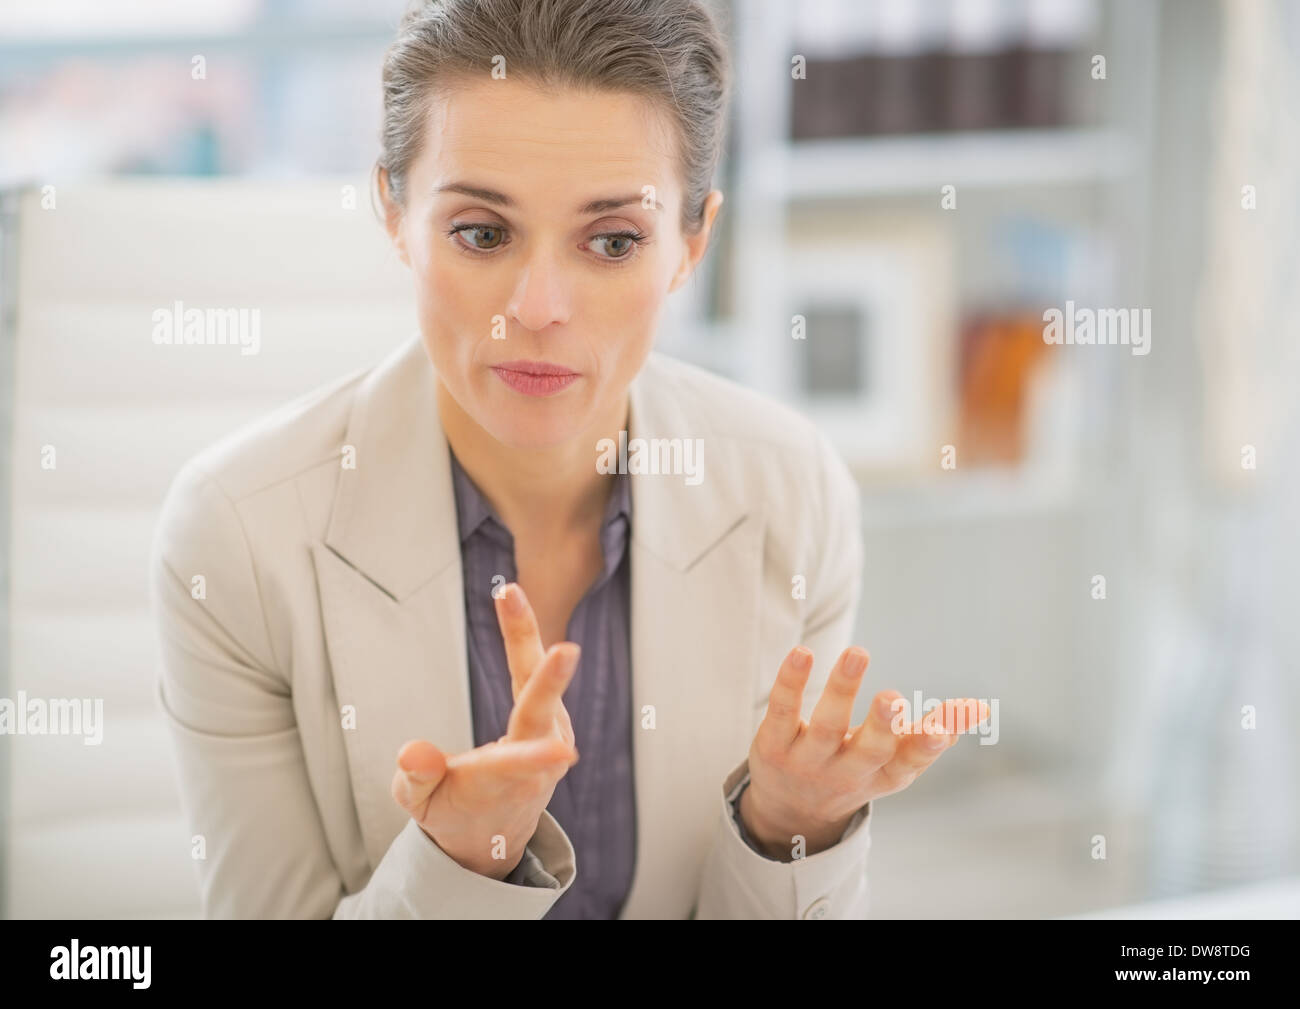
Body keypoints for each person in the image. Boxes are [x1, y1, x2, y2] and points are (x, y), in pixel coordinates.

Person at [149, 0, 983, 920]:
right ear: (393, 211)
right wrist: (461, 865)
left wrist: (788, 826)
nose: (539, 305)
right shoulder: (236, 534)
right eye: (482, 232)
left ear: (691, 241)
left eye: (613, 241)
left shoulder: (793, 493)